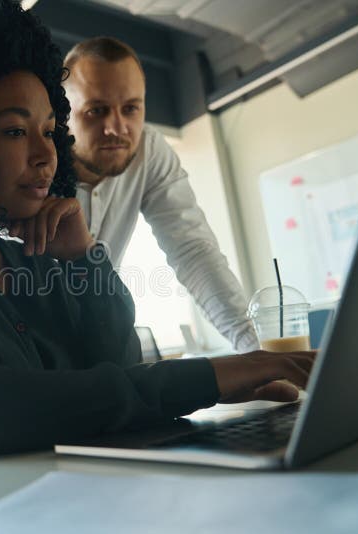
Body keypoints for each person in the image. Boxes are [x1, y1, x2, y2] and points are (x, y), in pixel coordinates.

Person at [0, 0, 315, 459]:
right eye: (16, 131)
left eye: (48, 131)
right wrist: (209, 378)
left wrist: (83, 257)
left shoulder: (33, 255)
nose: (45, 155)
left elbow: (118, 369)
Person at [54, 37, 258, 352]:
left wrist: (252, 347)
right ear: (63, 114)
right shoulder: (32, 163)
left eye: (131, 108)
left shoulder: (149, 151)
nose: (116, 127)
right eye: (96, 111)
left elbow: (192, 251)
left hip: (100, 331)